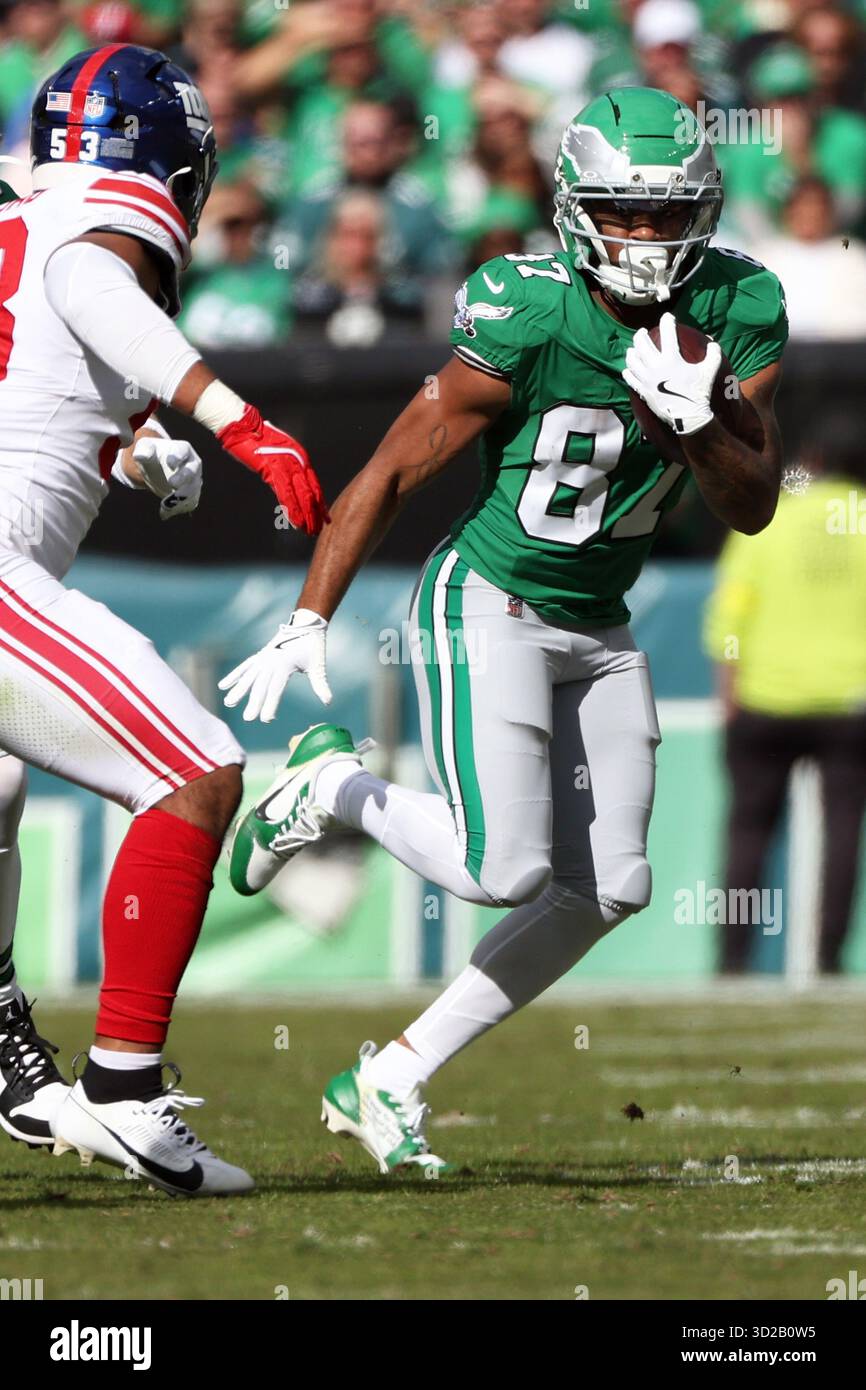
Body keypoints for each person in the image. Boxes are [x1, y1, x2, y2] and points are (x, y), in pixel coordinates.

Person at [223, 87, 788, 1173]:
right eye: (622, 212)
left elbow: (751, 501)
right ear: (576, 208)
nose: (646, 237)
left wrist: (697, 419)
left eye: (667, 213)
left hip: (598, 619)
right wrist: (309, 615)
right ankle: (328, 787)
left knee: (610, 883)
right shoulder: (526, 307)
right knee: (502, 867)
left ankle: (389, 1074)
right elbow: (394, 466)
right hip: (490, 598)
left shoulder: (738, 301)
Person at [0, 42, 327, 1195]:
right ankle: (126, 1092)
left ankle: (4, 1045)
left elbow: (36, 364)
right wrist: (245, 424)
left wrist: (132, 448)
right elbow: (89, 293)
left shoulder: (25, 214)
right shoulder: (99, 218)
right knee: (193, 770)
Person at [704, 411, 866, 975]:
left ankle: (732, 963)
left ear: (813, 462)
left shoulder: (773, 516)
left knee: (749, 832)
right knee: (844, 829)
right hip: (850, 702)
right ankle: (828, 959)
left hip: (765, 696)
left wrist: (728, 690)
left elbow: (729, 612)